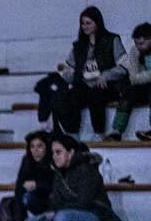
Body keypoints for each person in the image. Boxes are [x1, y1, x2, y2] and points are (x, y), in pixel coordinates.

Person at [26, 133, 123, 221]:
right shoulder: (59, 174)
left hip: (96, 214)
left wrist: (55, 213)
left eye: (58, 152)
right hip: (69, 214)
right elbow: (56, 202)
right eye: (53, 153)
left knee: (62, 216)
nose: (54, 156)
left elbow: (83, 202)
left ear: (70, 153)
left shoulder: (88, 170)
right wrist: (48, 214)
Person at [53, 7, 126, 138]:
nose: (85, 26)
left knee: (96, 95)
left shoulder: (112, 40)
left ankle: (99, 133)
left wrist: (107, 75)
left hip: (107, 85)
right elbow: (69, 70)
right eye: (82, 23)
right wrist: (65, 72)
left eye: (88, 23)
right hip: (84, 85)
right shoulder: (78, 46)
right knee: (70, 96)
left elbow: (124, 66)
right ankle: (72, 134)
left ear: (97, 23)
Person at [104, 22, 151, 141]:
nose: (139, 46)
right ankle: (117, 131)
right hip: (142, 86)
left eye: (142, 43)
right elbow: (133, 77)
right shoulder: (135, 51)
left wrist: (142, 77)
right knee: (128, 92)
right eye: (136, 43)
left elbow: (137, 77)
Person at [6, 132, 53, 221]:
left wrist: (37, 185)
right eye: (32, 147)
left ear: (46, 147)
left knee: (28, 197)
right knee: (21, 197)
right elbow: (19, 189)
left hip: (51, 201)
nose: (35, 150)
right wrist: (18, 218)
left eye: (39, 146)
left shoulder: (54, 160)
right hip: (34, 201)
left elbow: (56, 186)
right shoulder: (27, 160)